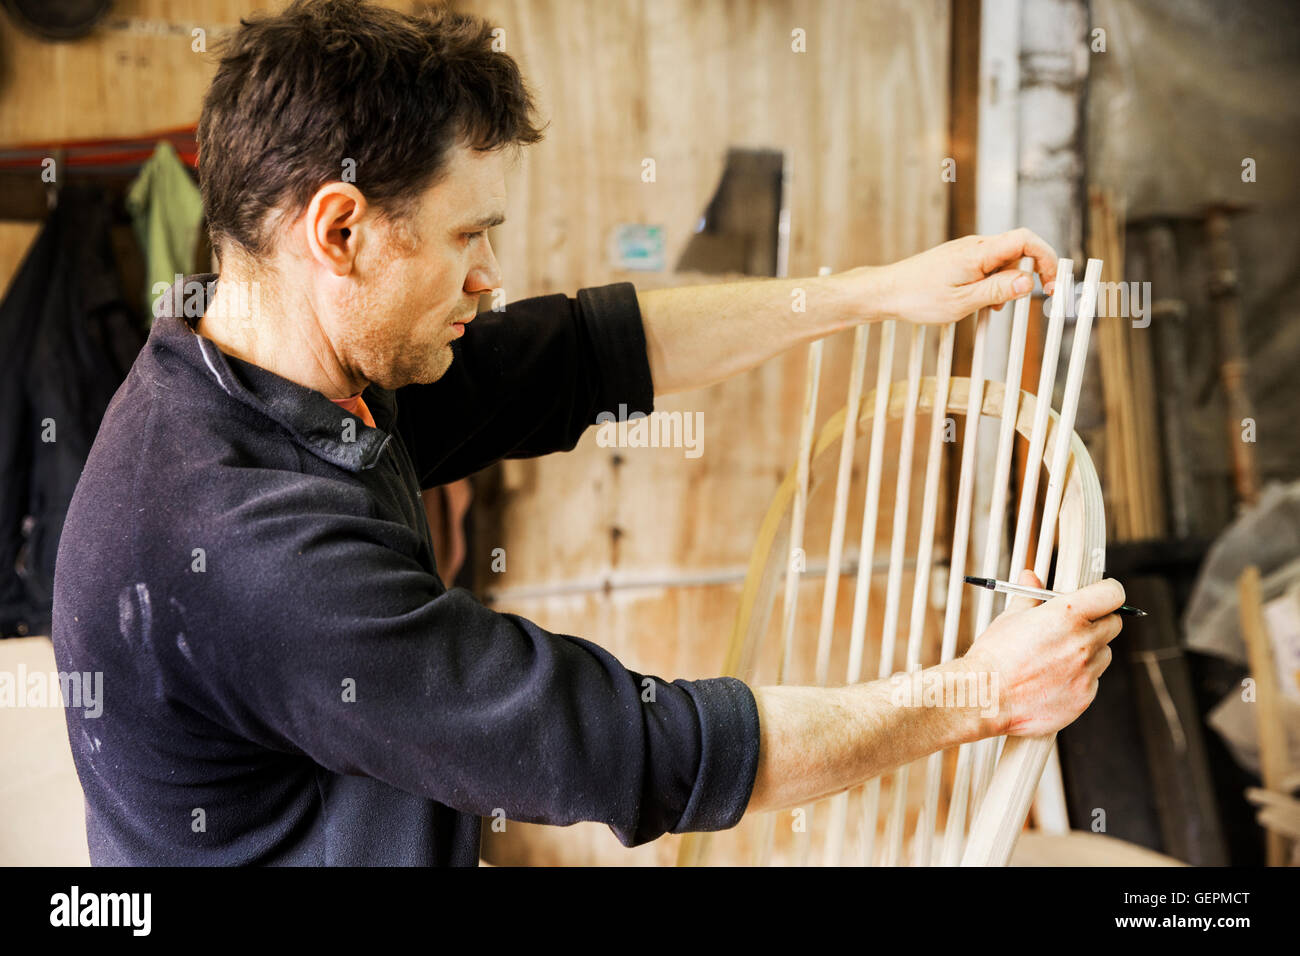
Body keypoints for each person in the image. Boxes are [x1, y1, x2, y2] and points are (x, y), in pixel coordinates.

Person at [51, 0, 1124, 865]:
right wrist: (974, 693)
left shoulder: (265, 366)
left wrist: (872, 293)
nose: (488, 276)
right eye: (467, 233)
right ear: (339, 231)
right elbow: (632, 747)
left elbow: (586, 354)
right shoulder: (250, 545)